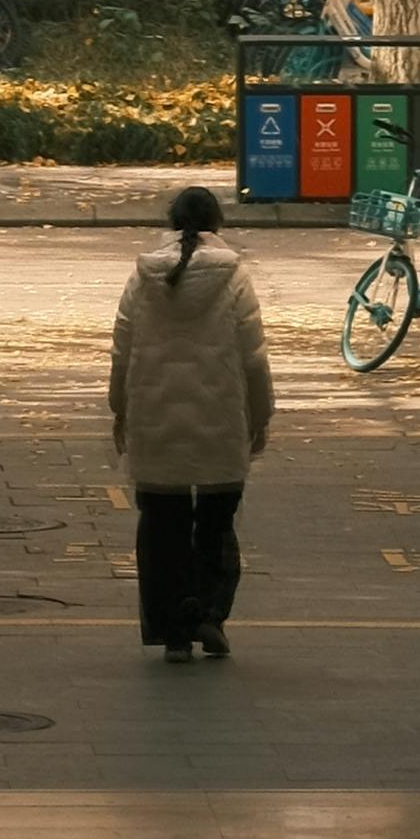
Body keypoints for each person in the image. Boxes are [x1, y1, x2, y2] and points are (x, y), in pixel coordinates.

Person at [109, 181, 273, 662]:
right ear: (217, 223)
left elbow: (121, 351)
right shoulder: (234, 277)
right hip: (221, 421)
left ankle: (174, 633)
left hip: (154, 422)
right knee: (217, 526)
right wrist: (260, 416)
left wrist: (120, 410)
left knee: (162, 530)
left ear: (171, 221)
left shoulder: (142, 276)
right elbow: (254, 358)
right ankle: (208, 616)